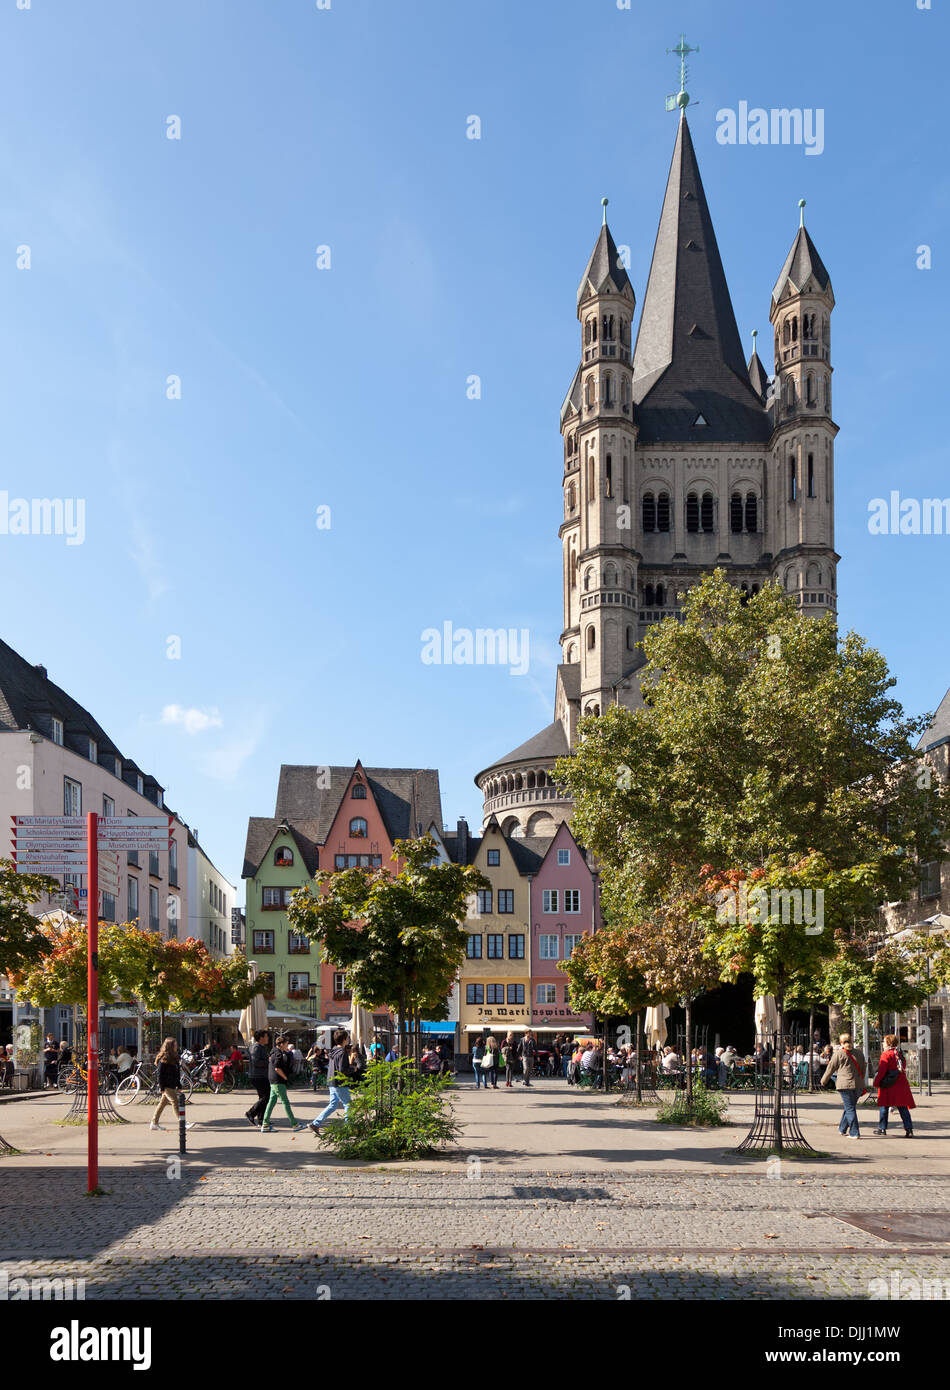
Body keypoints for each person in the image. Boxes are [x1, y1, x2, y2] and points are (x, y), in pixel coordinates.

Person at [309, 1029, 360, 1135]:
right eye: (348, 1038)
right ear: (345, 1039)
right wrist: (353, 1069)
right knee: (348, 1104)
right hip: (339, 1082)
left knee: (333, 1104)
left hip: (332, 1080)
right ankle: (349, 1128)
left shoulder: (334, 1050)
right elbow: (342, 1070)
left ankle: (316, 1124)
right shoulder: (342, 1052)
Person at [821, 1032, 867, 1138]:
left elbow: (830, 1068)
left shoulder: (839, 1054)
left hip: (845, 1085)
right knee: (850, 1107)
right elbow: (863, 1069)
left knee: (850, 1108)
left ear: (841, 1042)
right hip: (858, 1085)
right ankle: (842, 1128)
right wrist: (861, 1080)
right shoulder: (859, 1053)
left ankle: (854, 1133)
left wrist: (824, 1080)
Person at [261, 1035, 308, 1133]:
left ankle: (265, 1124)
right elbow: (277, 1068)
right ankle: (294, 1124)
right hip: (278, 1081)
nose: (287, 1045)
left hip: (273, 1081)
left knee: (272, 1102)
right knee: (285, 1102)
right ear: (281, 1044)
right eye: (286, 1044)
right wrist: (285, 1077)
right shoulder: (278, 1053)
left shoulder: (274, 1052)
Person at [872, 1034, 915, 1137]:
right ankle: (909, 1129)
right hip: (901, 1084)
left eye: (884, 1041)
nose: (882, 1043)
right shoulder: (900, 1054)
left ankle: (882, 1128)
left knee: (884, 1106)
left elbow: (882, 1071)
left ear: (888, 1043)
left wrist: (876, 1083)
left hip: (888, 1085)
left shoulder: (886, 1054)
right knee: (903, 1107)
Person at [149, 1038, 194, 1132]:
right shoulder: (163, 1058)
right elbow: (160, 1074)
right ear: (170, 1046)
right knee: (175, 1103)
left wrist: (179, 1085)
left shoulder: (175, 1057)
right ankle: (183, 1123)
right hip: (166, 1085)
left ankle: (154, 1123)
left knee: (162, 1104)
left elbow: (177, 1073)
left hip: (172, 1084)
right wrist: (161, 1087)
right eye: (175, 1045)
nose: (176, 1046)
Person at [245, 1028, 271, 1127]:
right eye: (266, 1036)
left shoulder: (259, 1047)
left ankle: (261, 1120)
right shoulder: (256, 1047)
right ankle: (251, 1113)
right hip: (258, 1075)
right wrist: (268, 1061)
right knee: (266, 1097)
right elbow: (256, 1062)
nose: (267, 1038)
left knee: (263, 1097)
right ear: (261, 1038)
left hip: (260, 1075)